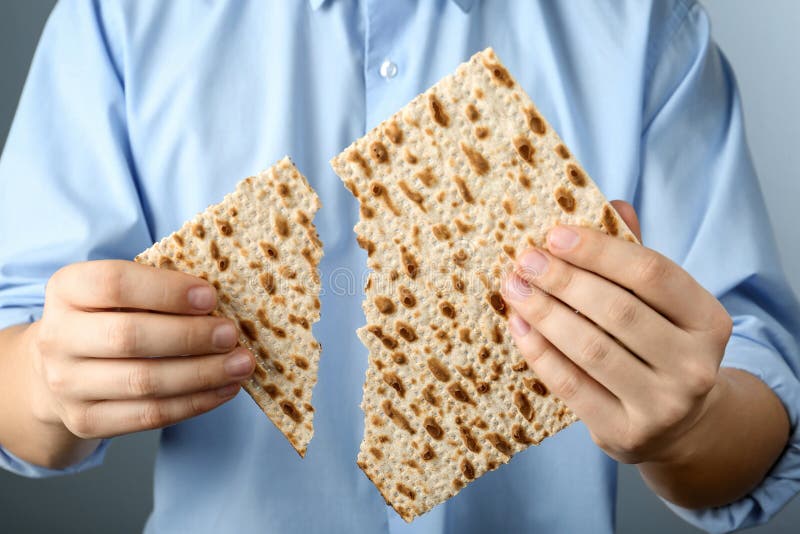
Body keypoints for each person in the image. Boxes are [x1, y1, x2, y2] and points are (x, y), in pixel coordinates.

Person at [1, 1, 798, 532]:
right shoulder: (122, 15)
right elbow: (13, 360)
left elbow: (762, 403)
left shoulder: (643, 24)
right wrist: (47, 377)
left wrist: (690, 426)